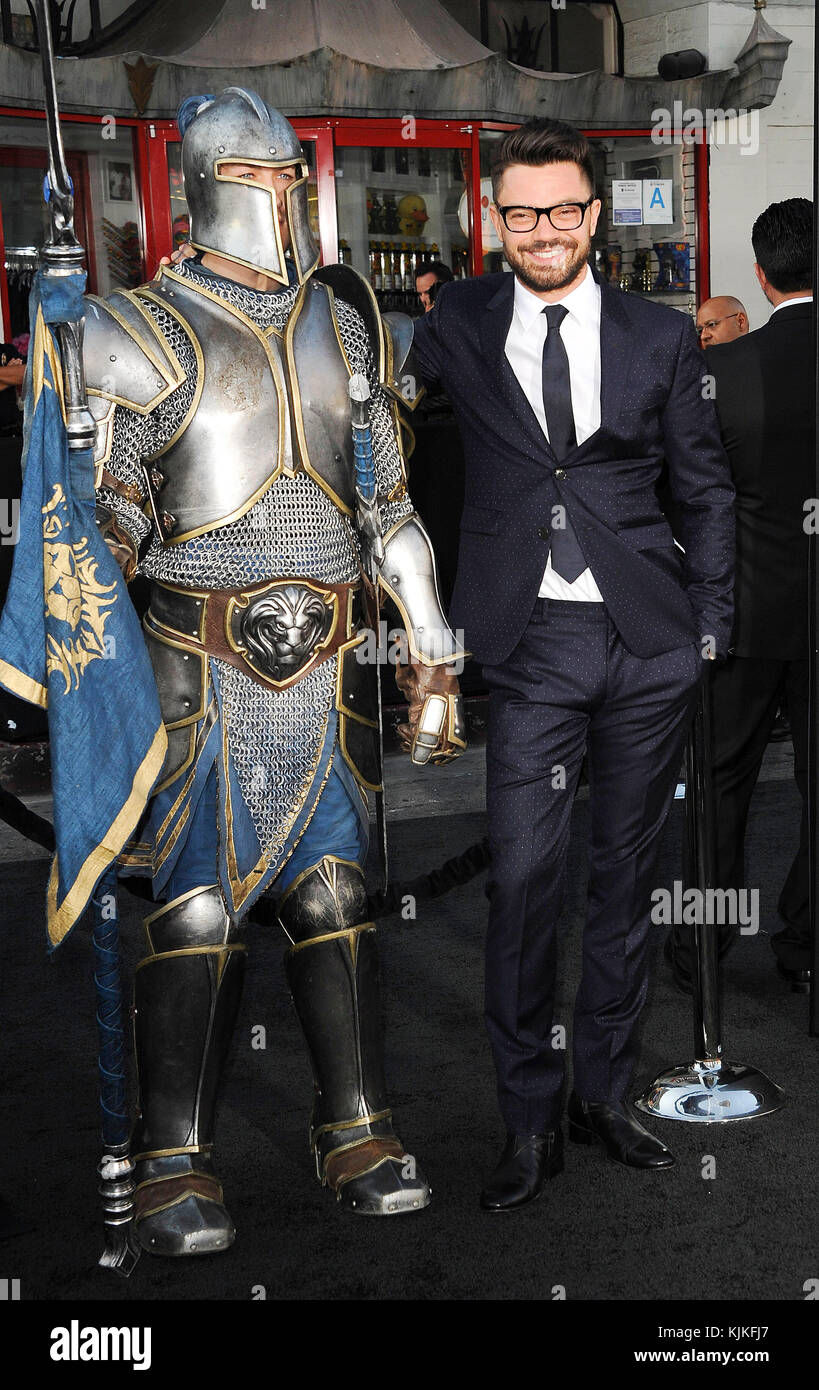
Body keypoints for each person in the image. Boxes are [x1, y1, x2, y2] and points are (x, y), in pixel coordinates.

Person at [84, 88, 465, 1255]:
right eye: (284, 178)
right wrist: (86, 576)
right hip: (199, 663)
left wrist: (433, 641)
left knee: (337, 895)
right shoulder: (128, 328)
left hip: (337, 654)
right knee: (192, 909)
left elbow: (389, 509)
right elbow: (109, 512)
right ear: (239, 182)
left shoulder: (348, 329)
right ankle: (169, 1156)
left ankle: (353, 1122)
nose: (295, 197)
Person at [412, 116, 734, 1210]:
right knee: (521, 882)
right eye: (520, 211)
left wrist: (710, 624)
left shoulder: (658, 333)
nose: (542, 229)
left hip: (646, 641)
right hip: (529, 641)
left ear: (594, 216)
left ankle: (605, 1090)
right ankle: (528, 1114)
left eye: (561, 209)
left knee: (624, 886)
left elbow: (704, 485)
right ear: (491, 220)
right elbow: (360, 387)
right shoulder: (454, 317)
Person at [670, 199, 814, 994]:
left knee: (717, 786)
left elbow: (679, 502)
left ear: (760, 277)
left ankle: (702, 953)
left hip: (743, 615)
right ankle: (806, 944)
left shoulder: (719, 373)